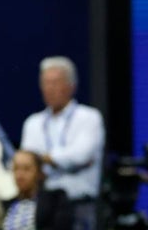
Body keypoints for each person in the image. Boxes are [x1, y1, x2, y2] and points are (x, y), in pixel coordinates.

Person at [20, 56, 104, 201]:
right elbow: (28, 163)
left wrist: (44, 159)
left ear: (71, 86)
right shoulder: (33, 123)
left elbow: (81, 156)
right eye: (45, 83)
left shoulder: (89, 117)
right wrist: (62, 160)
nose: (49, 89)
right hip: (42, 203)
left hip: (79, 201)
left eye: (55, 83)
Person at [3, 149, 73, 230]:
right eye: (16, 169)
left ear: (40, 173)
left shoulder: (55, 198)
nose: (20, 175)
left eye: (26, 169)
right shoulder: (5, 205)